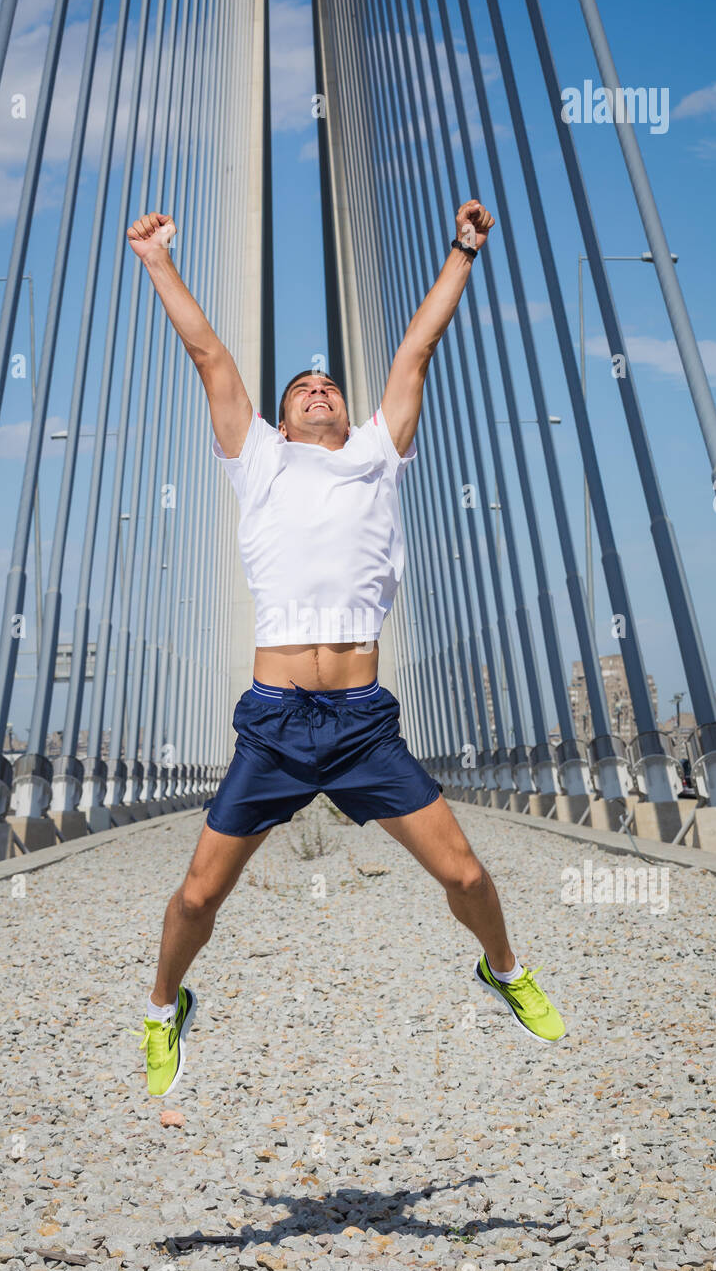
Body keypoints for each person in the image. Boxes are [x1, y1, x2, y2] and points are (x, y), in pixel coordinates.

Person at [126, 201, 565, 1098]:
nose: (319, 390)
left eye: (327, 385)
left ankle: (504, 968)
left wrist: (463, 251)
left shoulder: (376, 453)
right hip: (277, 723)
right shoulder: (259, 460)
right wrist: (157, 262)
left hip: (363, 723)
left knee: (467, 873)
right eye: (302, 391)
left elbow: (415, 351)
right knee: (200, 898)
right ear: (282, 423)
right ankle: (165, 1008)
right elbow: (209, 354)